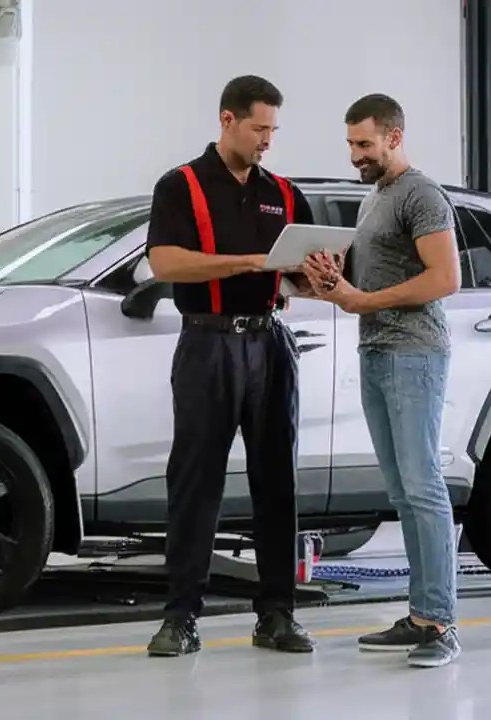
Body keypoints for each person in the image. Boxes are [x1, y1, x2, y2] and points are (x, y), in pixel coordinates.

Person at [142, 74, 318, 657]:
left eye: (273, 129)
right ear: (227, 120)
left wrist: (315, 276)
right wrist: (240, 263)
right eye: (259, 127)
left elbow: (297, 278)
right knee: (195, 482)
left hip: (270, 345)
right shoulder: (181, 185)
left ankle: (277, 614)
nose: (268, 139)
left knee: (277, 482)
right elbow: (165, 261)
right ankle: (180, 618)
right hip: (207, 345)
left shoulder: (286, 195)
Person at [303, 93, 463, 668]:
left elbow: (445, 278)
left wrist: (363, 298)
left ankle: (441, 623)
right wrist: (335, 281)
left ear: (394, 137)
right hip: (377, 351)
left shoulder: (420, 193)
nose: (355, 155)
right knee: (402, 492)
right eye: (350, 144)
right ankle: (421, 615)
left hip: (414, 355)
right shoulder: (377, 197)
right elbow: (382, 274)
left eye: (364, 144)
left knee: (423, 490)